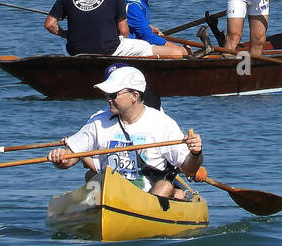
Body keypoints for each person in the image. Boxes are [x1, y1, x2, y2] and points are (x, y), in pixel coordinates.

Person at [47, 65, 203, 199]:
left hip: (148, 196)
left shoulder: (163, 124)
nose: (108, 99)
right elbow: (70, 158)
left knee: (165, 186)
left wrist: (195, 154)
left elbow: (190, 169)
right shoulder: (98, 122)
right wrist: (61, 158)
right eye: (107, 95)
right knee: (91, 178)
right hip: (110, 194)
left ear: (134, 96)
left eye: (114, 95)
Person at [123, 0, 193, 58]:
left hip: (136, 40)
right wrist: (179, 49)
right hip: (129, 45)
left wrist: (148, 27)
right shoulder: (133, 5)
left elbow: (135, 24)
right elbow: (147, 36)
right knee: (178, 53)